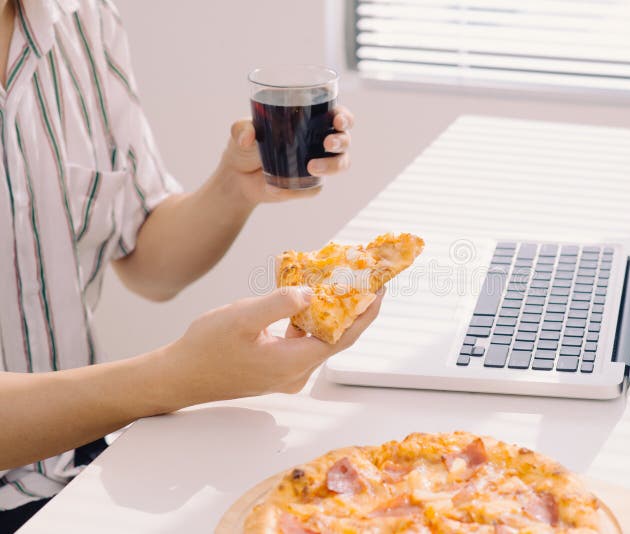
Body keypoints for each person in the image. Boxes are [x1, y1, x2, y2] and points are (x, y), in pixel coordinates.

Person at [0, 0, 380, 529]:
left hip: (77, 475)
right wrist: (173, 379)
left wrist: (235, 186)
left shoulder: (82, 17)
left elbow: (150, 267)